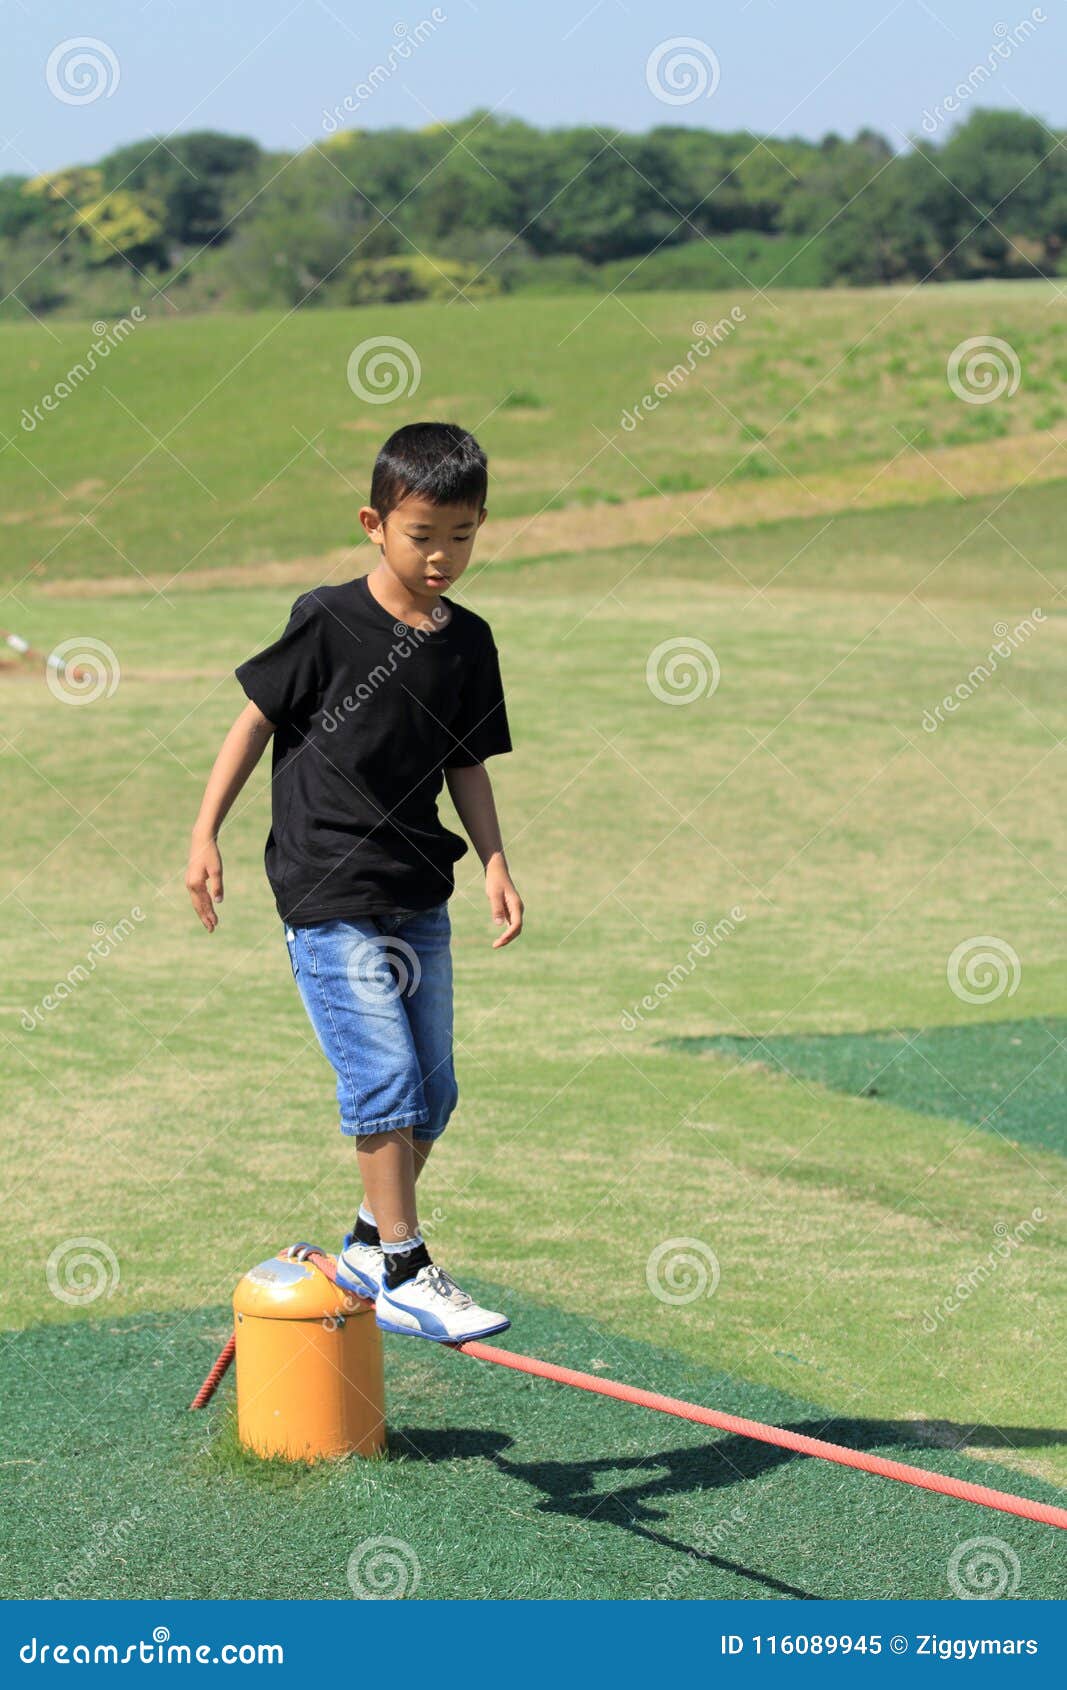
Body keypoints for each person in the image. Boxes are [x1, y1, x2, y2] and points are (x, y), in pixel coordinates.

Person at [185, 421, 523, 1342]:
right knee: (384, 1076)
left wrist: (494, 860)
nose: (442, 556)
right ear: (375, 523)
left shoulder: (468, 643)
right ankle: (408, 1265)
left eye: (461, 535)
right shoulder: (328, 619)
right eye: (423, 536)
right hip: (325, 885)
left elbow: (468, 766)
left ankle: (372, 1240)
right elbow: (252, 723)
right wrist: (204, 832)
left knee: (433, 1094)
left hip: (418, 887)